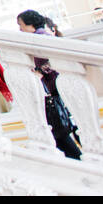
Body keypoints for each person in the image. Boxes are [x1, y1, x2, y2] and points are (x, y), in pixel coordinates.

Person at [17, 10, 83, 160]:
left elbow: (55, 59)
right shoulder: (41, 36)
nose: (20, 29)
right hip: (58, 88)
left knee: (64, 130)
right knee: (67, 128)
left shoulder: (41, 37)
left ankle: (78, 159)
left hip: (58, 88)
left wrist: (40, 71)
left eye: (21, 25)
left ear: (30, 24)